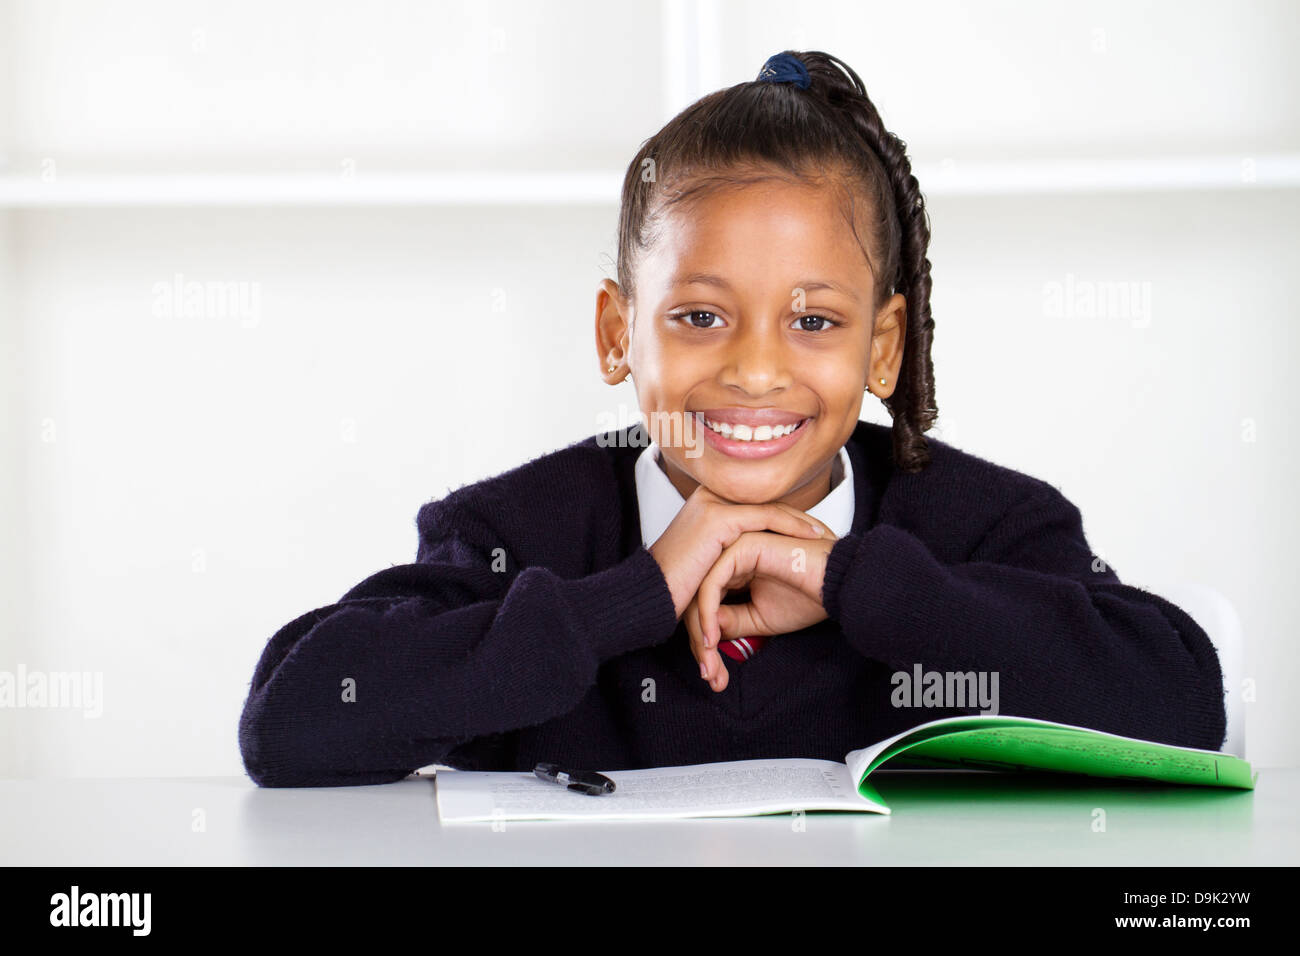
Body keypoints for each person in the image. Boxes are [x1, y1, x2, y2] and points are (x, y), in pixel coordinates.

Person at [238, 50, 1226, 788]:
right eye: (700, 316)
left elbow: (1181, 703)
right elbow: (290, 721)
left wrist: (849, 582)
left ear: (881, 347)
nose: (756, 369)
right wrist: (639, 591)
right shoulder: (510, 532)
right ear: (618, 332)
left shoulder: (987, 524)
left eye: (813, 319)